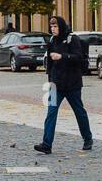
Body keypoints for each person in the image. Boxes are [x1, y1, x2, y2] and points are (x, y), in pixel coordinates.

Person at [34, 15, 92, 154]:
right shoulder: (52, 41)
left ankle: (87, 138)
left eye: (55, 26)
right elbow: (50, 64)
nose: (53, 29)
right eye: (51, 26)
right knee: (51, 113)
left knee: (79, 112)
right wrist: (50, 81)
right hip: (56, 85)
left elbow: (78, 57)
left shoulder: (72, 39)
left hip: (72, 84)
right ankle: (47, 144)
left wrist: (63, 56)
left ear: (61, 26)